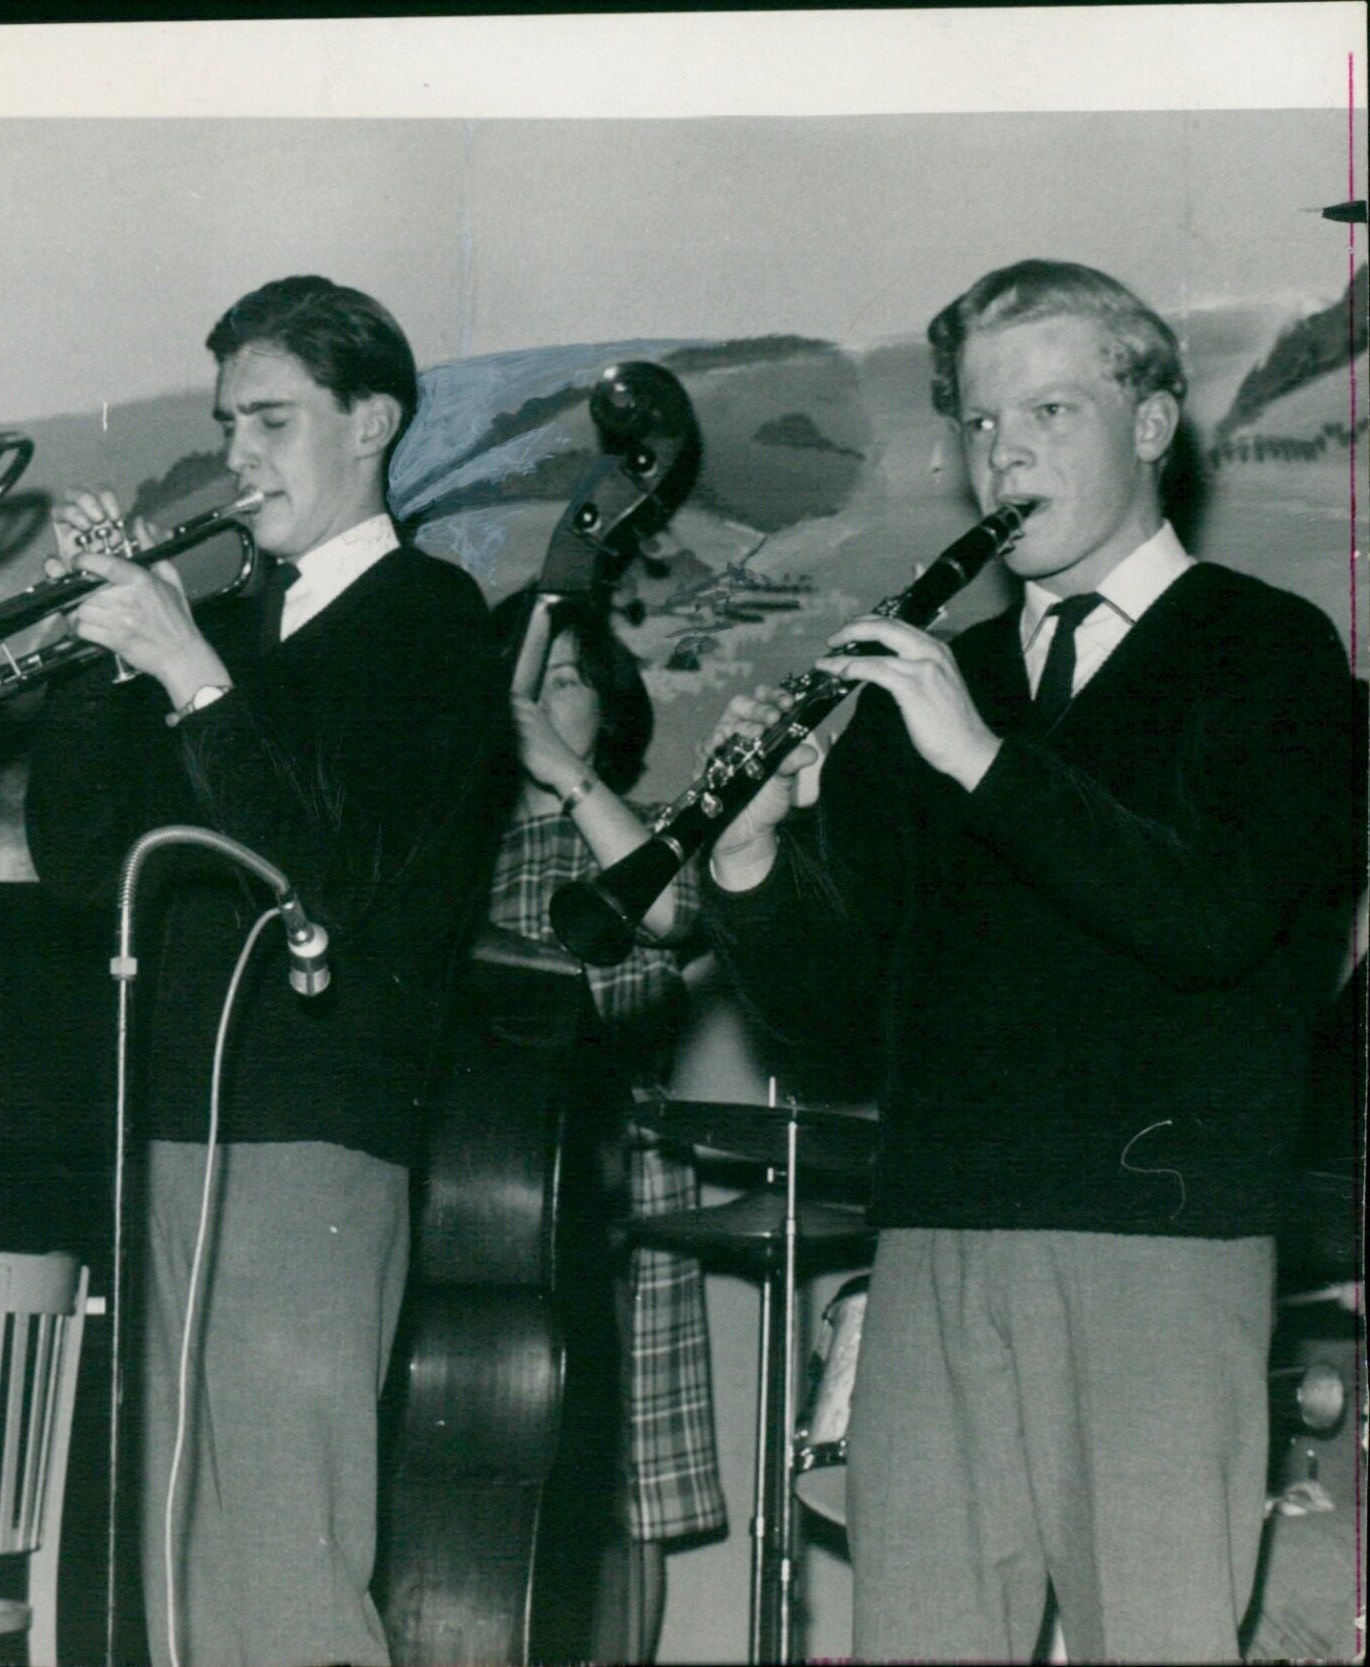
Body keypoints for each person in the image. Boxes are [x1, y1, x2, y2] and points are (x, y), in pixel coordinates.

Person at [695, 259, 1355, 1662]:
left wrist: (985, 762)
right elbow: (837, 1016)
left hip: (1158, 1246)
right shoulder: (943, 683)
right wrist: (748, 861)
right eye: (982, 422)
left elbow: (1215, 920)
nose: (1004, 453)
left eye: (1051, 411)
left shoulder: (1270, 651)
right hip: (935, 1234)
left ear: (1153, 422)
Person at [24, 275, 505, 1667]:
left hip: (318, 1124)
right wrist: (97, 656)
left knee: (289, 1549)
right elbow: (78, 861)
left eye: (271, 420)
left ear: (373, 421)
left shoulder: (432, 617)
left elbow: (331, 873)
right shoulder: (230, 632)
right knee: (183, 1558)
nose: (237, 456)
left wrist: (186, 669)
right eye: (227, 423)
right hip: (180, 1114)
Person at [486, 589, 728, 1660]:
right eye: (523, 679)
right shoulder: (456, 845)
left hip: (614, 1182)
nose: (540, 700)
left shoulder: (639, 826)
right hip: (479, 1188)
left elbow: (676, 913)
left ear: (610, 708)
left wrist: (565, 779)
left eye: (566, 680)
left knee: (624, 1491)